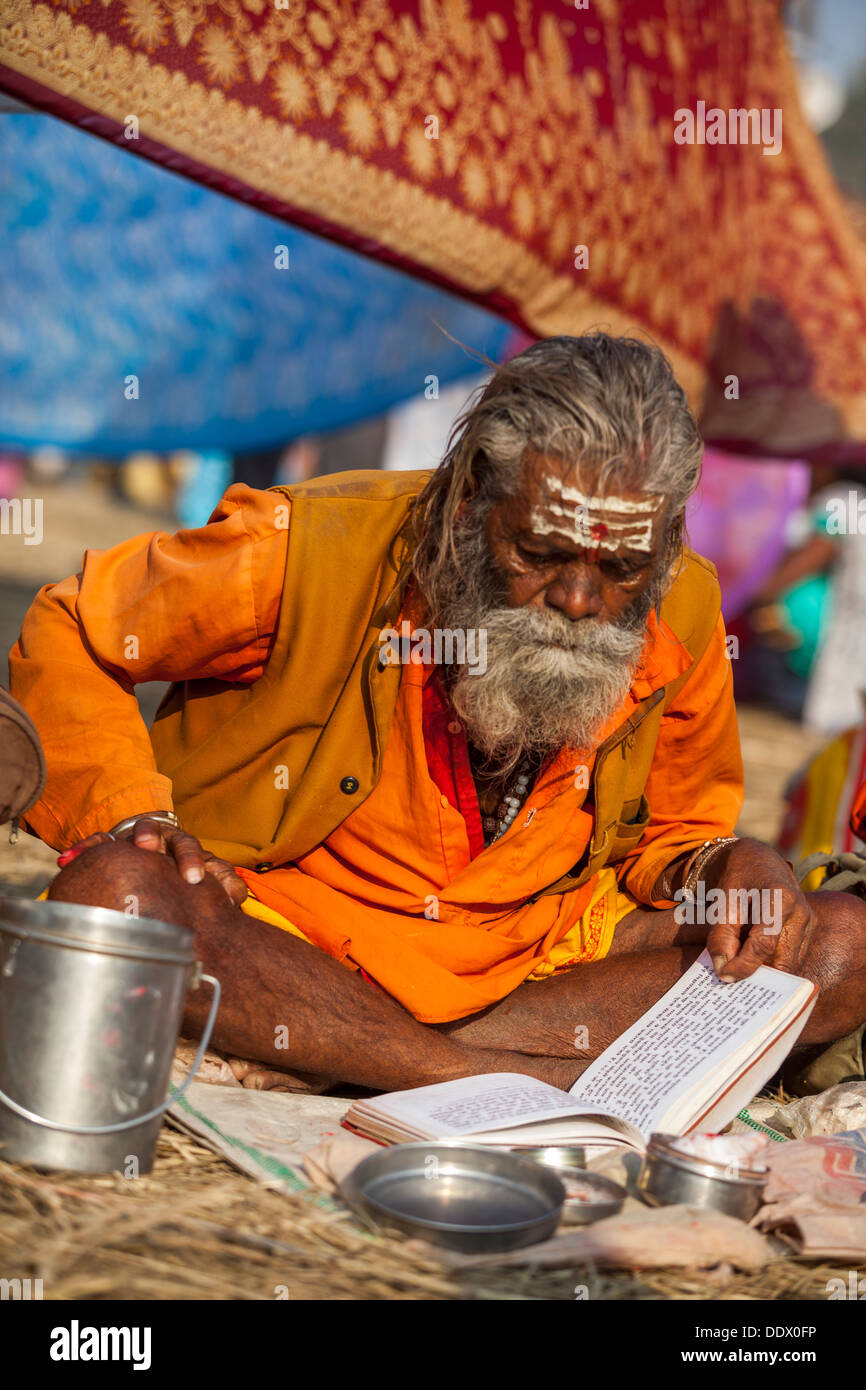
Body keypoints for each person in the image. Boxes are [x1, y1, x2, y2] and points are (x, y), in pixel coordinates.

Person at [10, 335, 866, 1094]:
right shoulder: (309, 547)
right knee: (117, 896)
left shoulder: (679, 605)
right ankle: (482, 1079)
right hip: (284, 936)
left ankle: (360, 1054)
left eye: (622, 569)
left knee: (839, 943)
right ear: (468, 507)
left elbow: (674, 833)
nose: (577, 597)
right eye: (539, 553)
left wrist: (732, 863)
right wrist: (138, 817)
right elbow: (77, 626)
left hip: (536, 968)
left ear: (667, 544)